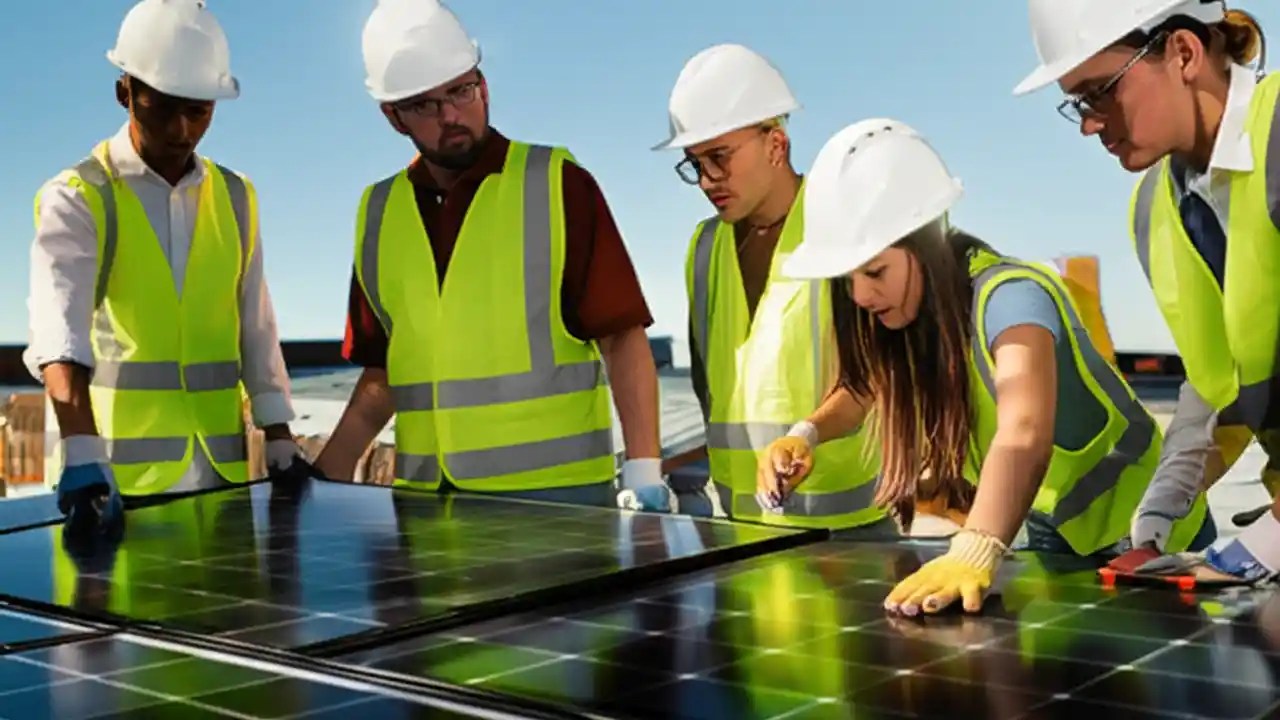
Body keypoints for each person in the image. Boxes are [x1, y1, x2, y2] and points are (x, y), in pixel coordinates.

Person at [758, 119, 1203, 615]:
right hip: (1058, 543)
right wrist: (805, 433)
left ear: (923, 245)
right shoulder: (918, 319)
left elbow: (1024, 428)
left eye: (875, 271)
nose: (860, 295)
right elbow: (863, 393)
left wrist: (975, 548)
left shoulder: (1011, 297)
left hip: (1152, 536)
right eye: (848, 279)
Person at [312, 0, 666, 511]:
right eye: (424, 104)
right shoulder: (379, 212)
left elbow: (622, 336)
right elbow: (383, 373)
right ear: (393, 117)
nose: (451, 115)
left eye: (461, 90)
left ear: (484, 84)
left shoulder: (556, 183)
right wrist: (329, 472)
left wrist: (645, 469)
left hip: (556, 504)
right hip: (428, 508)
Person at [1013, 0, 1280, 584]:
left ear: (1182, 52)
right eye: (1078, 103)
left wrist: (1271, 538)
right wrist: (1161, 507)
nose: (1089, 122)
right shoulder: (1155, 209)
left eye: (1100, 91)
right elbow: (1214, 381)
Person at [24, 0, 305, 539]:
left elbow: (256, 325)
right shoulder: (80, 196)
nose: (182, 129)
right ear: (125, 92)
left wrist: (279, 434)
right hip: (116, 486)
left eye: (198, 111)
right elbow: (58, 333)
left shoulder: (237, 196)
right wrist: (81, 449)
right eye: (162, 107)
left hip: (223, 479)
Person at [652, 43, 887, 532]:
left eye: (719, 157)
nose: (707, 180)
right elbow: (709, 388)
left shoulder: (841, 225)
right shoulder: (704, 247)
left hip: (846, 530)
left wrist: (808, 432)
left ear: (776, 145)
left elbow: (873, 376)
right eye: (695, 164)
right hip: (740, 527)